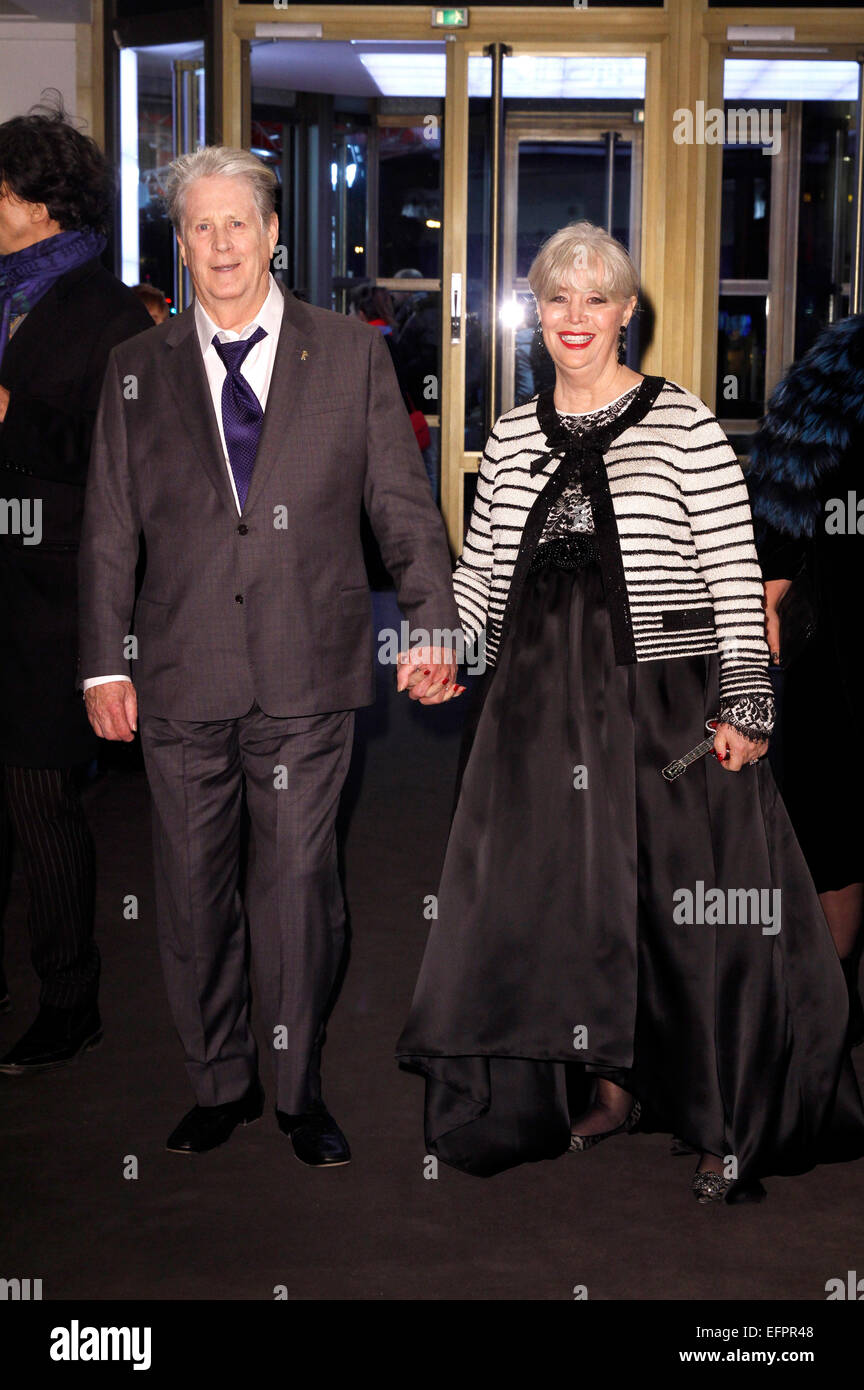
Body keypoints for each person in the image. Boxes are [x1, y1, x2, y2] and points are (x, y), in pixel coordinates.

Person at [397, 221, 864, 1203]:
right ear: (537, 311)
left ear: (625, 312)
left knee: (692, 919)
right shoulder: (514, 432)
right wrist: (448, 655)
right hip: (542, 717)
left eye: (595, 297)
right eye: (557, 298)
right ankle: (609, 1089)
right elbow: (485, 584)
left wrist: (747, 702)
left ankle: (729, 1117)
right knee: (576, 909)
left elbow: (737, 577)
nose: (576, 316)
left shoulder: (682, 422)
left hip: (666, 706)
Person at [78, 145, 461, 1165]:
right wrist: (101, 663)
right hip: (177, 670)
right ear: (182, 241)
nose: (219, 246)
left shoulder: (348, 354)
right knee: (192, 885)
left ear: (274, 231)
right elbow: (110, 528)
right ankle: (220, 1078)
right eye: (199, 227)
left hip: (308, 666)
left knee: (298, 887)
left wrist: (430, 618)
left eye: (237, 223)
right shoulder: (134, 370)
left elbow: (400, 503)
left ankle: (297, 1088)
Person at [0, 100, 152, 1073]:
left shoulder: (107, 313)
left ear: (37, 200)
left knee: (40, 800)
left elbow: (118, 465)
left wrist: (13, 413)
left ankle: (70, 1000)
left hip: (53, 602)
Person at [747, 315, 864, 1043]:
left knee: (836, 831)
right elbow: (783, 528)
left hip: (833, 653)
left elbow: (780, 521)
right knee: (836, 830)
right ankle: (829, 1009)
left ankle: (828, 1008)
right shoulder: (832, 375)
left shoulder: (823, 376)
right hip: (837, 653)